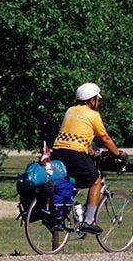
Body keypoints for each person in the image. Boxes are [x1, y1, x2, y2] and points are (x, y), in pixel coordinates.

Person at [51, 82, 123, 234]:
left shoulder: (70, 111)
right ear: (92, 100)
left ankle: (66, 209)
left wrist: (91, 151)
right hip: (74, 154)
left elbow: (76, 135)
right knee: (95, 181)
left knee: (72, 181)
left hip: (57, 152)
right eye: (98, 99)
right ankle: (88, 221)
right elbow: (104, 138)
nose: (98, 102)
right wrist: (118, 154)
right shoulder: (93, 115)